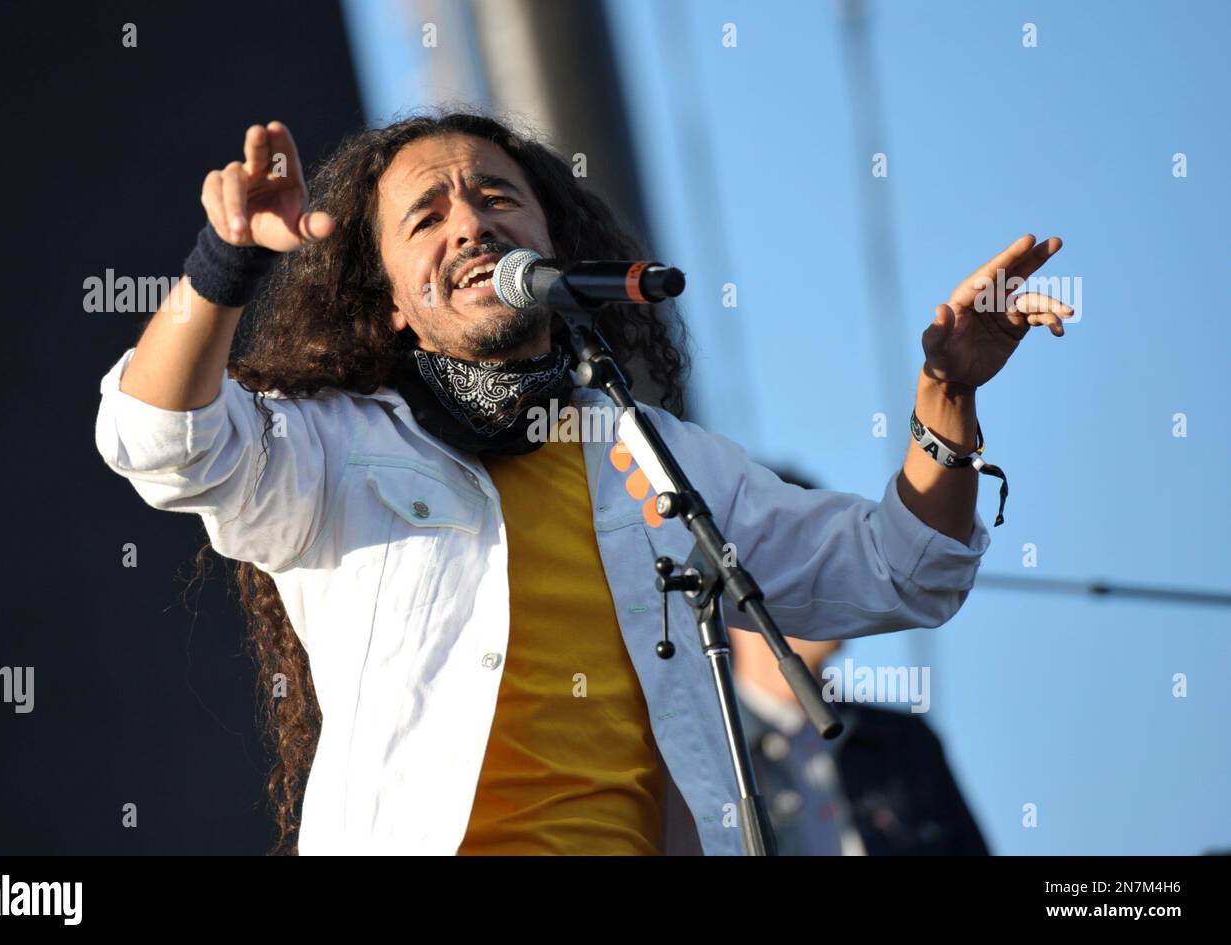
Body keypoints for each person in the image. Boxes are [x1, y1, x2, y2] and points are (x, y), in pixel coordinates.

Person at [93, 112, 1072, 855]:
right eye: (427, 216)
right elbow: (157, 439)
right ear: (388, 303)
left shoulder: (658, 460)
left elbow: (905, 572)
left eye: (496, 198)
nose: (470, 224)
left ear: (552, 246)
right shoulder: (332, 452)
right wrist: (223, 264)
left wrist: (943, 395)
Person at [729, 629, 990, 856]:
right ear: (729, 605)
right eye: (796, 573)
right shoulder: (708, 758)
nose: (830, 586)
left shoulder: (903, 740)